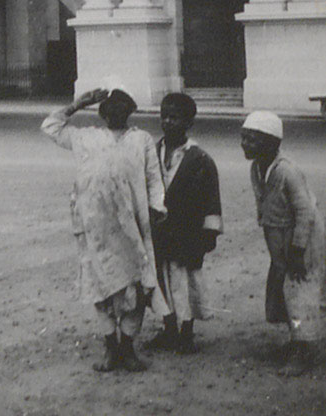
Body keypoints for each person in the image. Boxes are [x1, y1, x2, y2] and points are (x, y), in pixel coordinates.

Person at [41, 78, 168, 373]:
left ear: (131, 110)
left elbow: (153, 177)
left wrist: (157, 206)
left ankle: (128, 348)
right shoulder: (86, 137)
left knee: (136, 286)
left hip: (133, 227)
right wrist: (78, 104)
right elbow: (50, 126)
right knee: (100, 288)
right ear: (101, 112)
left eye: (122, 107)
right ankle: (110, 348)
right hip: (94, 227)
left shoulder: (141, 140)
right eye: (109, 108)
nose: (115, 113)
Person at [241, 110, 326, 376]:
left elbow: (305, 212)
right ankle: (297, 341)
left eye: (252, 140)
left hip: (302, 241)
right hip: (280, 241)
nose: (245, 144)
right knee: (286, 292)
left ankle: (304, 351)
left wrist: (298, 250)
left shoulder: (287, 171)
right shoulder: (257, 168)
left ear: (272, 142)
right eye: (243, 138)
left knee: (300, 292)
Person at [148, 91, 222, 354]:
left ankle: (186, 332)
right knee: (162, 281)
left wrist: (209, 233)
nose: (168, 122)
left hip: (186, 233)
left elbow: (211, 199)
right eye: (164, 117)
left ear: (188, 123)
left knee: (185, 282)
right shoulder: (152, 153)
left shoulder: (199, 159)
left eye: (175, 118)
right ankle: (169, 328)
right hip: (159, 233)